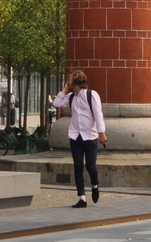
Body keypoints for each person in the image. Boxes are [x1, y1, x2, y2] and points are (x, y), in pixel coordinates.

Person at [53, 69, 106, 208]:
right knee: (78, 166)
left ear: (76, 81)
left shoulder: (91, 95)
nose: (67, 82)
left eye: (69, 80)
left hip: (90, 136)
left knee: (91, 166)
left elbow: (98, 114)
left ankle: (95, 185)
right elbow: (56, 103)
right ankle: (82, 197)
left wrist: (102, 133)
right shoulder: (70, 97)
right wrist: (65, 89)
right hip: (75, 136)